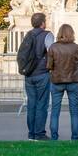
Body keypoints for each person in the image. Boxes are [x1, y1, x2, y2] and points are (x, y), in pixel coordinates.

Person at [16, 13, 55, 141]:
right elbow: (52, 52)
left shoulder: (28, 34)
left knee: (31, 104)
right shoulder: (47, 35)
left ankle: (31, 133)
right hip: (42, 74)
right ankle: (39, 133)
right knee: (42, 105)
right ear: (43, 23)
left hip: (29, 74)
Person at [46, 24, 78, 140]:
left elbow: (49, 66)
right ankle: (75, 137)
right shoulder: (77, 47)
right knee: (74, 111)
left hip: (57, 81)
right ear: (72, 34)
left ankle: (54, 137)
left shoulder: (53, 47)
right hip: (73, 81)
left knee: (55, 111)